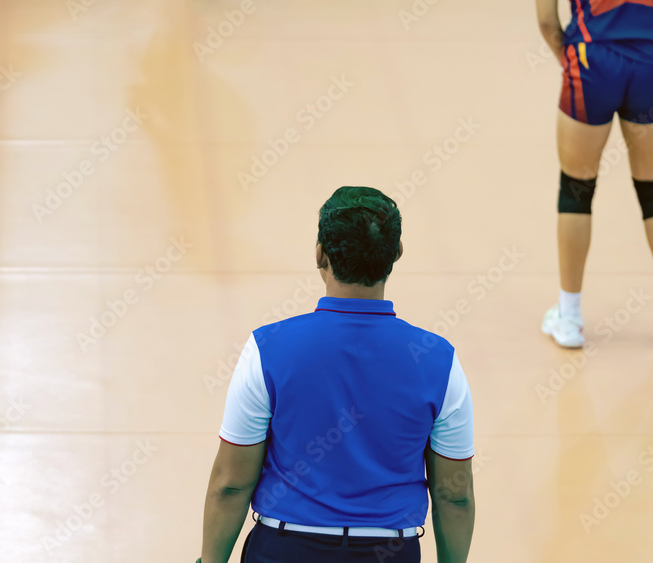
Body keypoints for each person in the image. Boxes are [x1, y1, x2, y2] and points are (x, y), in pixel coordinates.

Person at [200, 186, 476, 563]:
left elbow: (230, 485)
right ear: (395, 255)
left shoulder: (267, 349)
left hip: (283, 549)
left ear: (320, 254)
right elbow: (453, 495)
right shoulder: (440, 361)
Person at [536, 0, 653, 349]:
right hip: (648, 59)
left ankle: (569, 318)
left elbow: (546, 20)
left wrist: (572, 61)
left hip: (590, 61)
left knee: (576, 190)